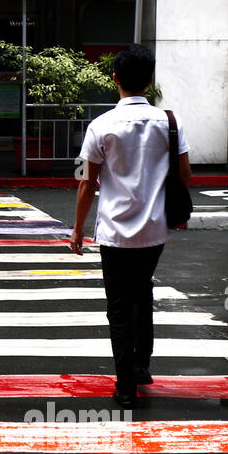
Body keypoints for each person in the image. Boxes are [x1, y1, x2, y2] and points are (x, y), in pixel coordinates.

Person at [69, 44, 192, 408]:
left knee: (119, 306)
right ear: (150, 80)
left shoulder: (101, 125)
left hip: (115, 232)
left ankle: (125, 387)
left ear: (115, 79)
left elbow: (87, 183)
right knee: (142, 293)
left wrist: (77, 229)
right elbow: (185, 174)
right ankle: (141, 367)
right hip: (155, 229)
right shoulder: (171, 121)